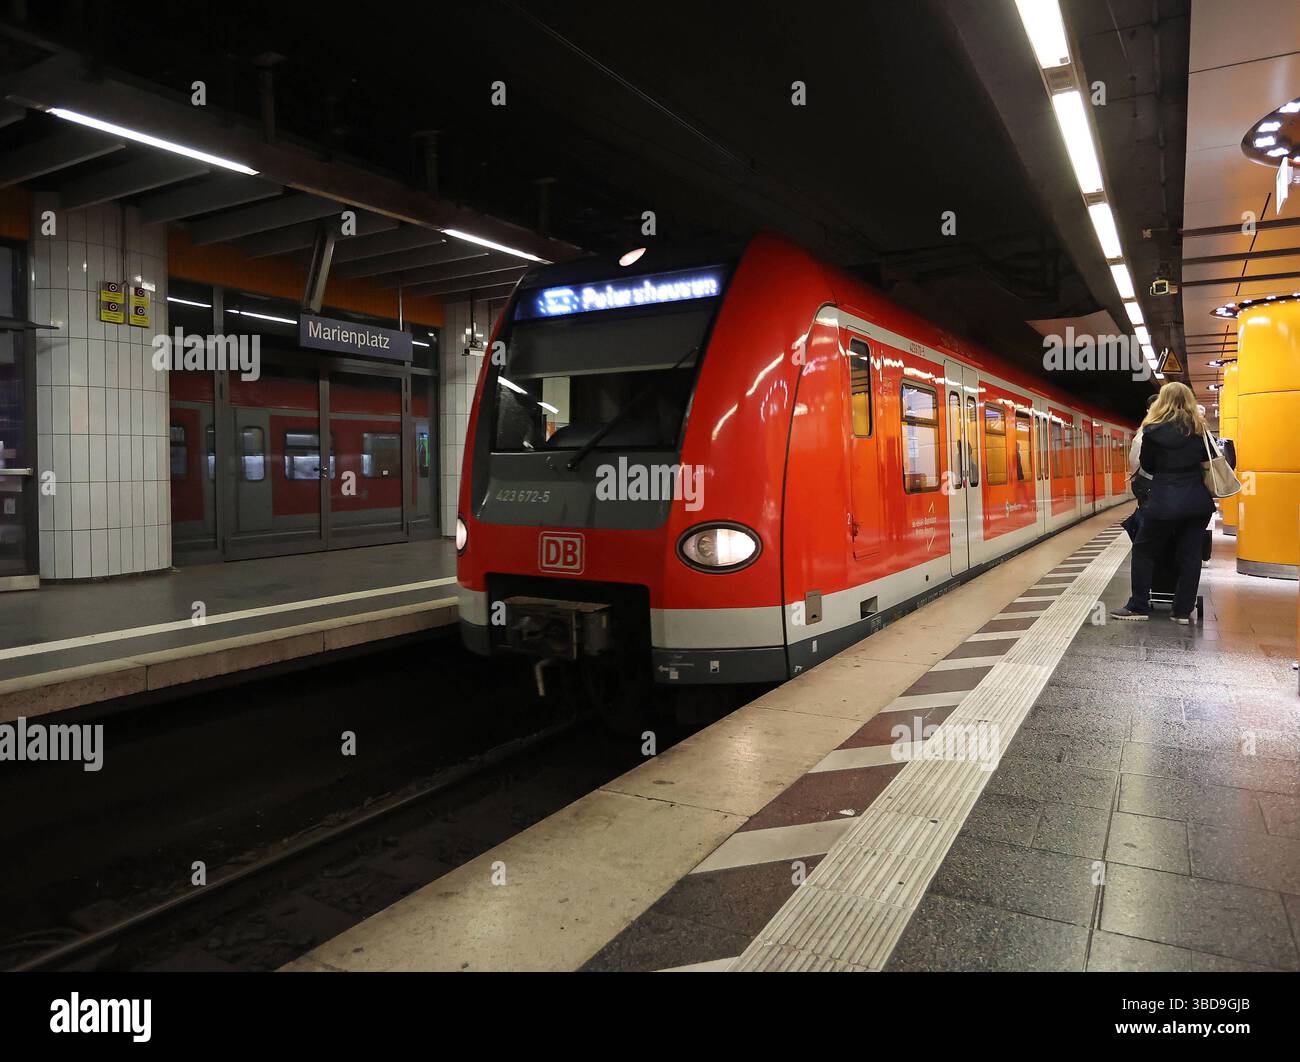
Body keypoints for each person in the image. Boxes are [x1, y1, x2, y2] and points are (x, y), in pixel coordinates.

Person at [1111, 382, 1216, 624]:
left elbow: (1147, 465)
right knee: (1190, 555)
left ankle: (1138, 606)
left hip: (1164, 501)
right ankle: (1181, 611)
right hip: (1196, 502)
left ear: (1162, 401)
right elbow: (1208, 460)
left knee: (1144, 549)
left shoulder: (1152, 431)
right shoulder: (1200, 430)